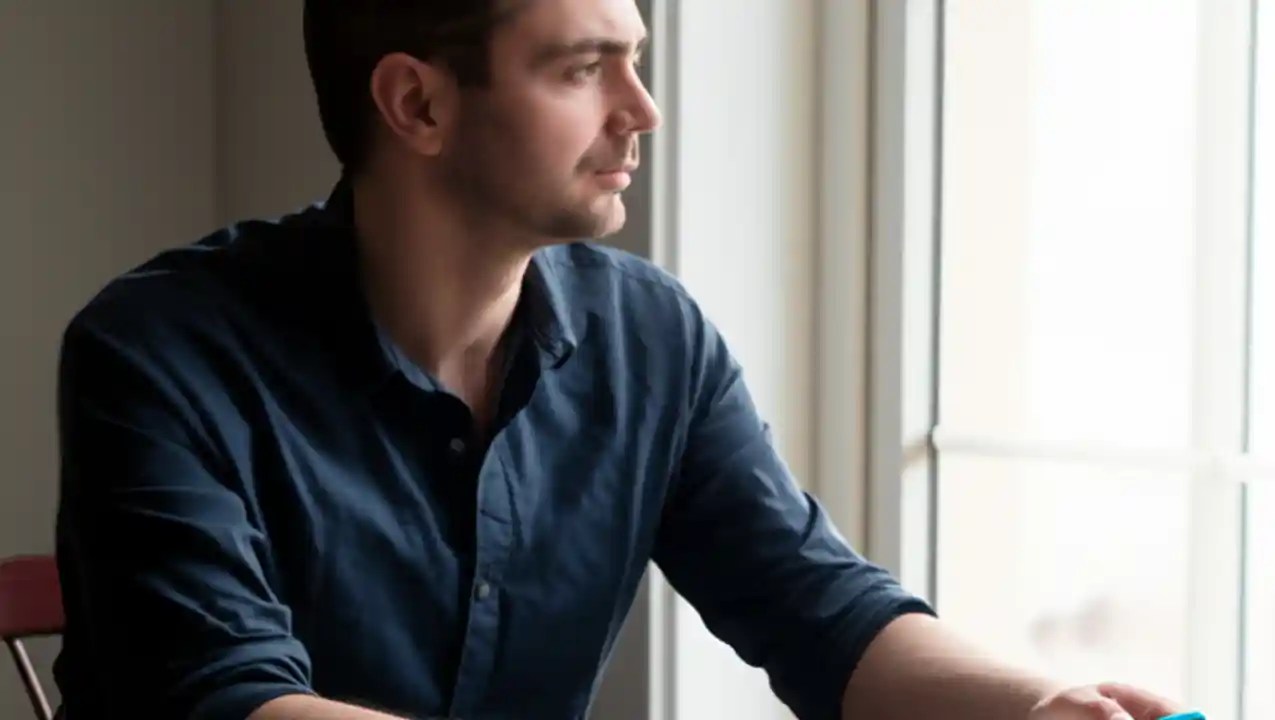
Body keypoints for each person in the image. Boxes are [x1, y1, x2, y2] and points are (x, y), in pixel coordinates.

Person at [51, 1, 1194, 719]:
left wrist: (1040, 703)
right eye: (580, 68)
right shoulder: (159, 354)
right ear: (417, 103)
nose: (641, 110)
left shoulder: (652, 339)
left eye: (636, 57)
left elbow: (818, 611)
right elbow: (234, 700)